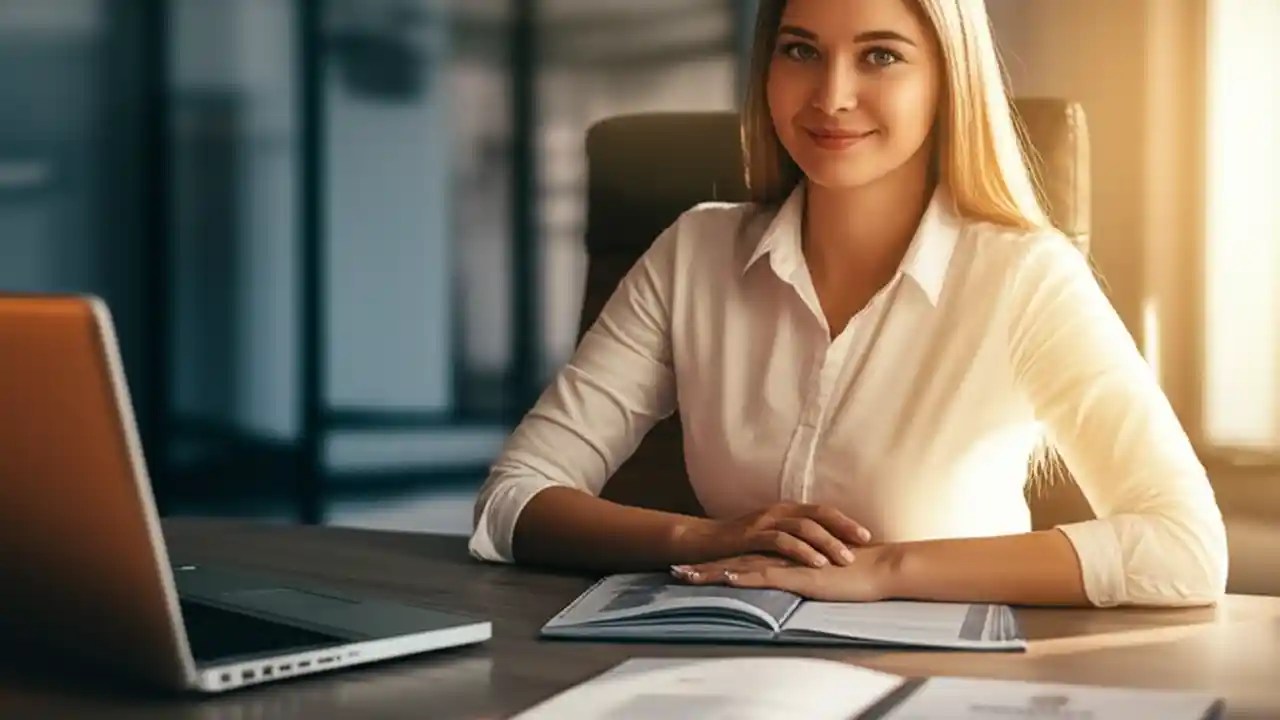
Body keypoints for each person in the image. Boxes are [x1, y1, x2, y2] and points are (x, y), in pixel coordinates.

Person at [468, 0, 1228, 608]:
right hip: (721, 670)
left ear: (947, 79)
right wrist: (705, 538)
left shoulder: (1025, 276)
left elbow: (1184, 549)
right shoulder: (694, 254)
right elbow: (513, 501)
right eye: (799, 50)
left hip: (953, 683)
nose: (831, 96)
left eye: (880, 55)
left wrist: (884, 569)